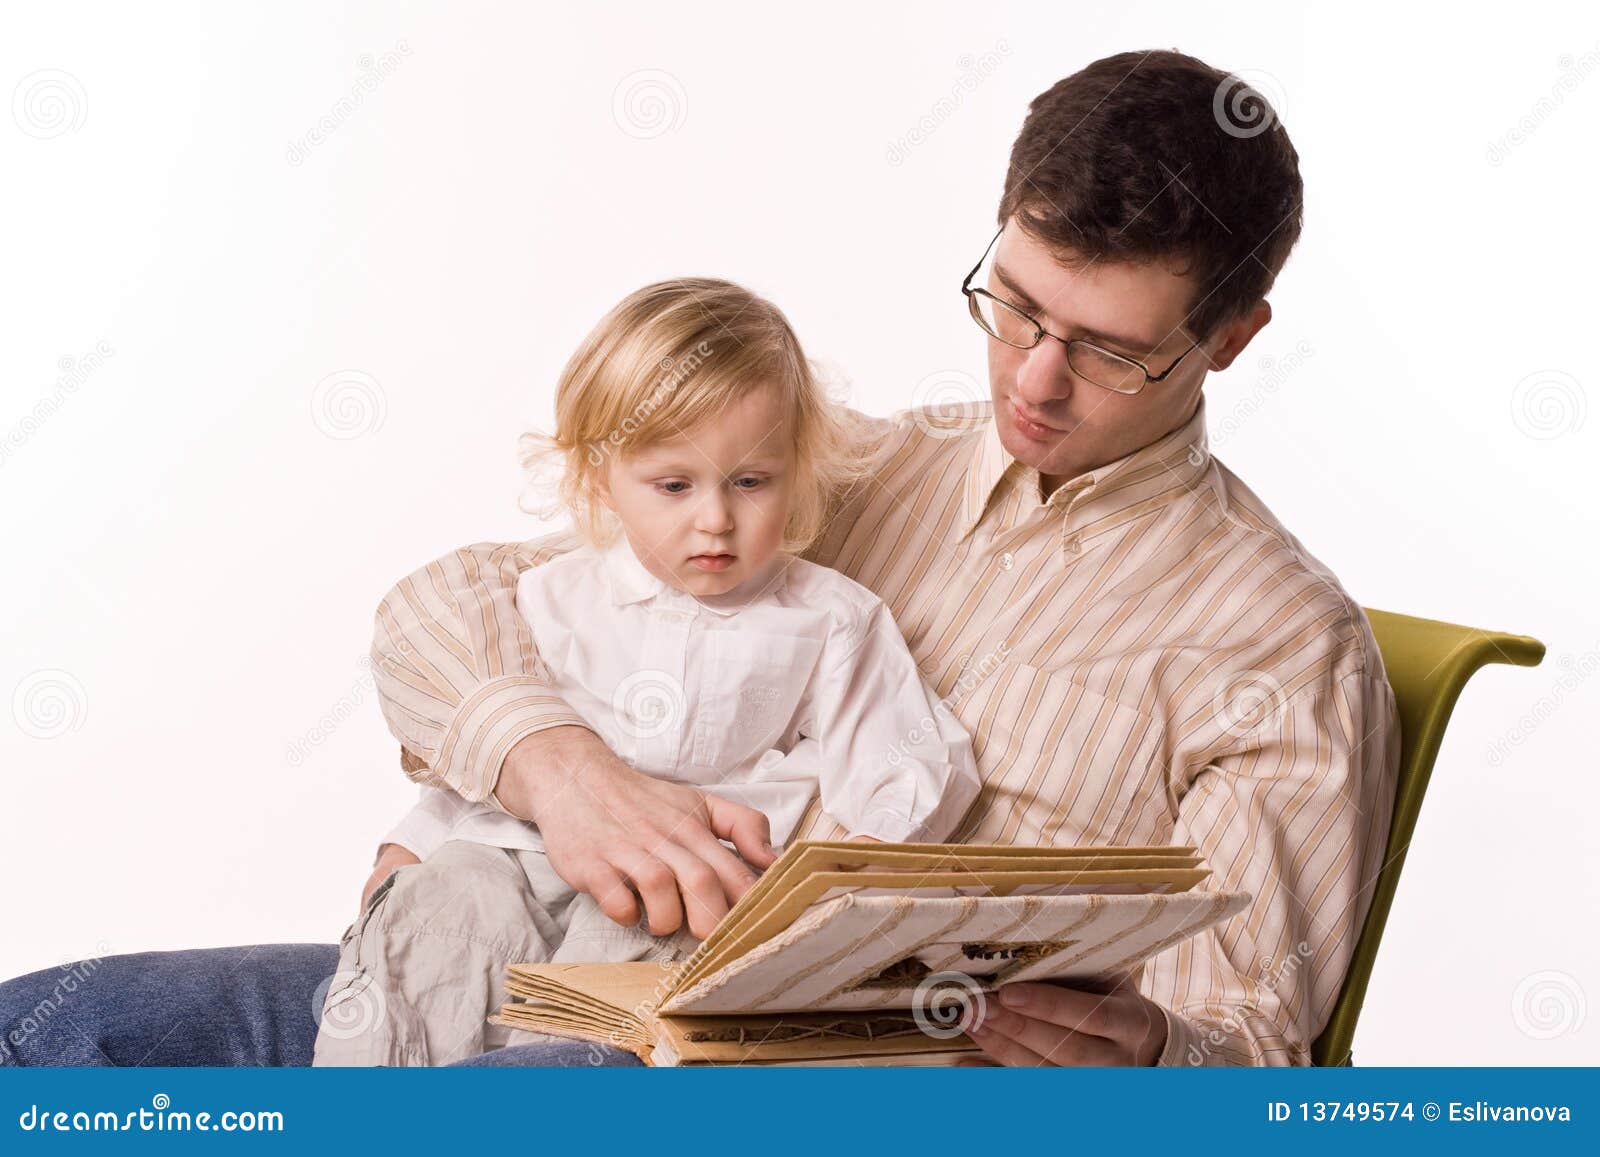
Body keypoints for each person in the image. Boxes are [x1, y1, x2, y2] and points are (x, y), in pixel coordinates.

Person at [0, 48, 1397, 1068]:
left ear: (1231, 338)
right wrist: (559, 772)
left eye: (1107, 350)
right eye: (1016, 306)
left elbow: (1250, 1046)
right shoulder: (852, 471)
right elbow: (451, 606)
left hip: (843, 1084)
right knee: (58, 1034)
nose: (1032, 380)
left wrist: (1150, 1053)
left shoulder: (1284, 646)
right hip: (575, 974)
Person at [311, 277, 980, 1066]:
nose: (715, 519)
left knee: (602, 1014)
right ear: (601, 478)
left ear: (797, 470)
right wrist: (409, 844)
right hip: (511, 858)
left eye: (751, 481)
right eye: (674, 486)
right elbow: (494, 763)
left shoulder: (828, 616)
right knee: (430, 920)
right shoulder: (551, 595)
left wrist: (860, 861)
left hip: (677, 890)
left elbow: (906, 750)